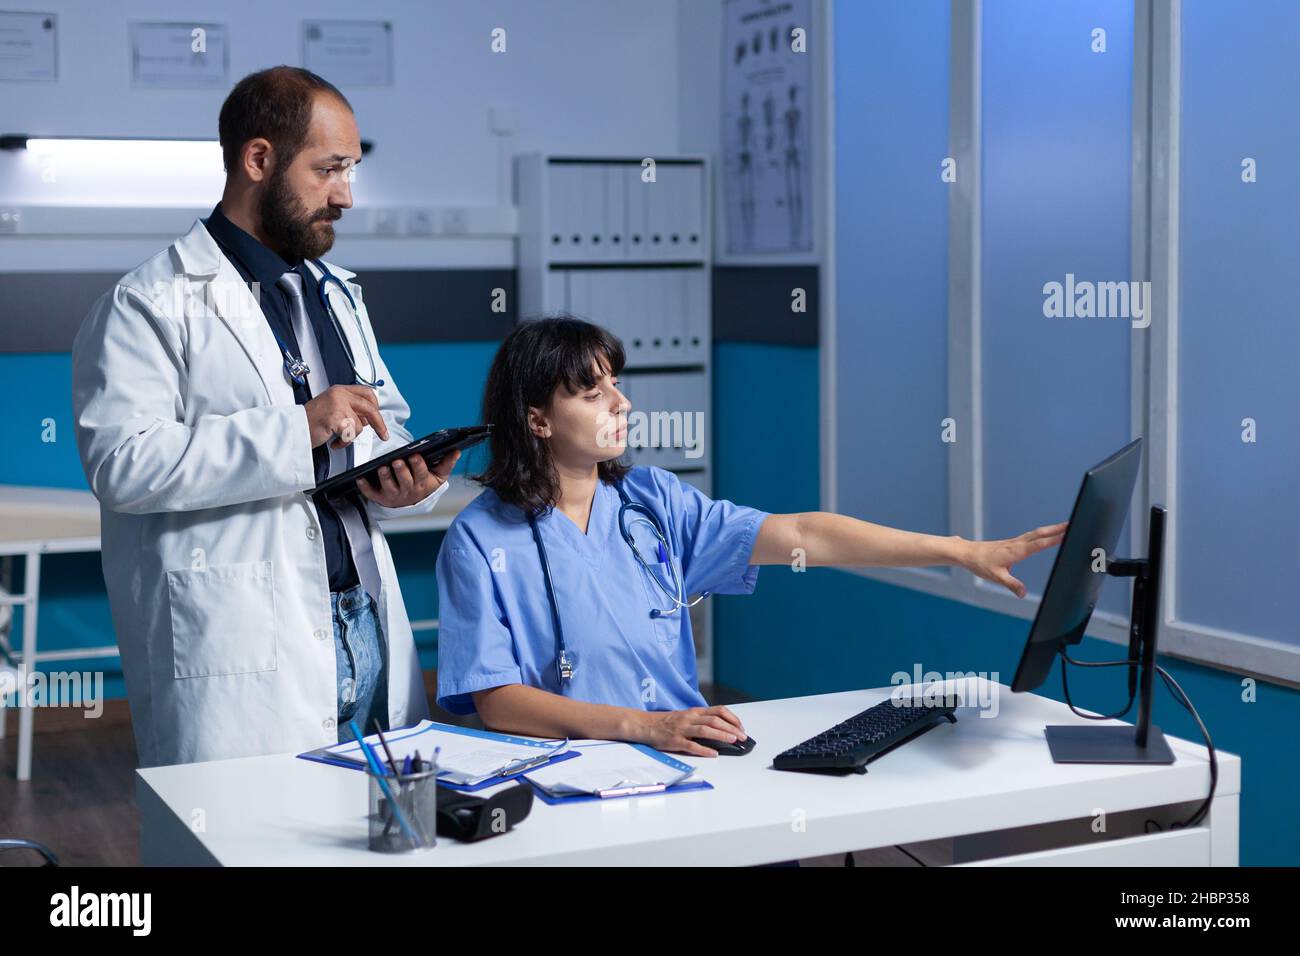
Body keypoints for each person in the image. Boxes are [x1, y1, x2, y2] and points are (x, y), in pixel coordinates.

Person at [435, 317, 1065, 756]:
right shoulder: (480, 538)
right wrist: (643, 726)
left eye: (617, 384)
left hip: (688, 753)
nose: (620, 403)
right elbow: (497, 701)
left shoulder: (654, 501)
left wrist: (960, 550)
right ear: (538, 420)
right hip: (575, 773)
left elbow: (802, 534)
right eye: (592, 392)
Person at [71, 67, 455, 767]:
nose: (345, 195)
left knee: (386, 839)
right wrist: (299, 427)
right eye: (329, 169)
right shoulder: (148, 303)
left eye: (352, 171)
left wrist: (401, 471)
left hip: (361, 619)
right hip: (247, 645)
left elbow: (378, 417)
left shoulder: (334, 294)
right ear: (258, 160)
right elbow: (124, 466)